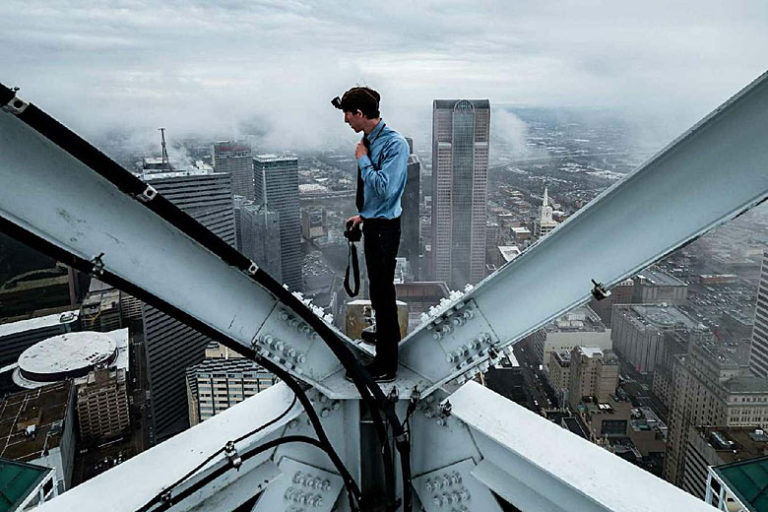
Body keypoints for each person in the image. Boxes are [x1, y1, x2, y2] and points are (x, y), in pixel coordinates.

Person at [332, 86, 409, 382]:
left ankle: (386, 365)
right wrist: (363, 216)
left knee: (383, 294)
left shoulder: (393, 145)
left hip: (385, 231)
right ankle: (384, 352)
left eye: (348, 115)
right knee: (377, 293)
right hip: (375, 225)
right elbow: (381, 198)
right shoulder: (370, 140)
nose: (346, 121)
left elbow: (387, 189)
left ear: (360, 114)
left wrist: (363, 159)